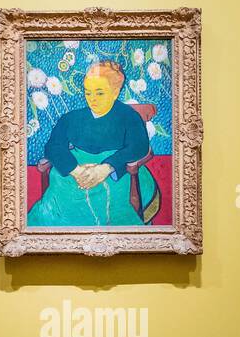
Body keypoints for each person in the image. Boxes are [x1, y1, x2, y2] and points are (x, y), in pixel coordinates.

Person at [26, 60, 161, 226]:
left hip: (117, 171)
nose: (92, 100)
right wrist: (75, 170)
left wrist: (105, 168)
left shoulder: (129, 117)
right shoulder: (72, 118)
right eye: (88, 93)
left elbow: (138, 146)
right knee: (60, 198)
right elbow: (53, 147)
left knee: (111, 199)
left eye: (99, 93)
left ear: (115, 91)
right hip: (75, 171)